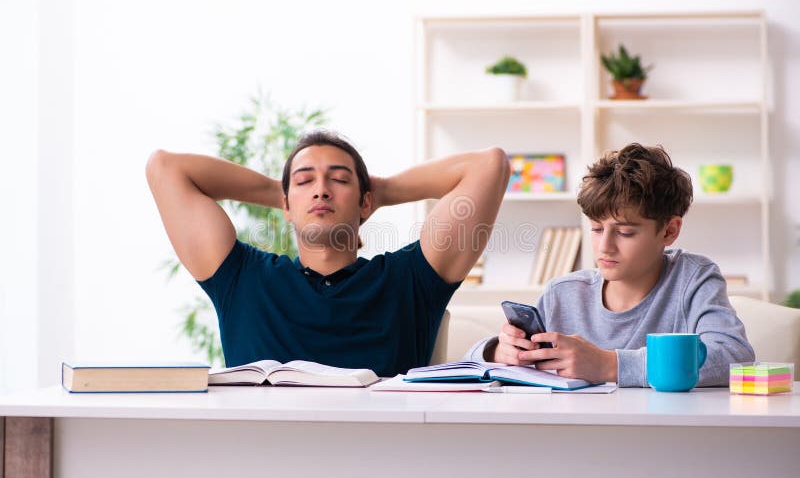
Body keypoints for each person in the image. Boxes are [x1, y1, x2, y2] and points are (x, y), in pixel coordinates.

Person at [146, 129, 509, 376]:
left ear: (366, 200)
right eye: (305, 181)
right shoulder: (242, 279)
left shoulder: (411, 279)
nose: (321, 190)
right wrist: (281, 193)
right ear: (285, 205)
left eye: (338, 179)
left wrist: (378, 193)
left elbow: (489, 165)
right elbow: (166, 167)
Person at [465, 143, 754, 387]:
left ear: (669, 231)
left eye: (625, 232)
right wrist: (499, 352)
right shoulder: (563, 294)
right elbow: (470, 363)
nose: (605, 246)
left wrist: (610, 365)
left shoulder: (693, 279)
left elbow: (733, 356)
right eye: (596, 229)